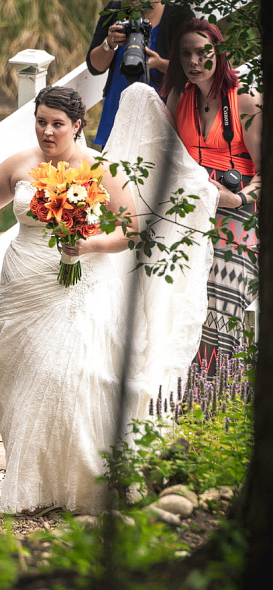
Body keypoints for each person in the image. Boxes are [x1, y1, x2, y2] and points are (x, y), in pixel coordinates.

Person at [0, 86, 138, 516]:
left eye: (57, 124)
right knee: (12, 375)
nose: (47, 131)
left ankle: (80, 484)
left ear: (78, 125)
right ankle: (30, 482)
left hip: (80, 284)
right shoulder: (21, 164)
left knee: (64, 376)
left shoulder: (101, 168)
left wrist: (92, 245)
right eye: (41, 121)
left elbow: (132, 231)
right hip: (23, 284)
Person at [163, 18, 262, 364]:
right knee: (178, 292)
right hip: (193, 209)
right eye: (186, 53)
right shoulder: (178, 97)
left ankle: (216, 383)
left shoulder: (245, 100)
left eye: (203, 53)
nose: (194, 62)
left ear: (219, 55)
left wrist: (239, 197)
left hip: (243, 210)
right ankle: (183, 384)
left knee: (220, 297)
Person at [85, 0, 193, 146]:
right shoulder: (115, 10)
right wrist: (109, 43)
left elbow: (195, 70)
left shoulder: (179, 15)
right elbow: (95, 66)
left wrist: (160, 64)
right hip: (117, 117)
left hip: (161, 121)